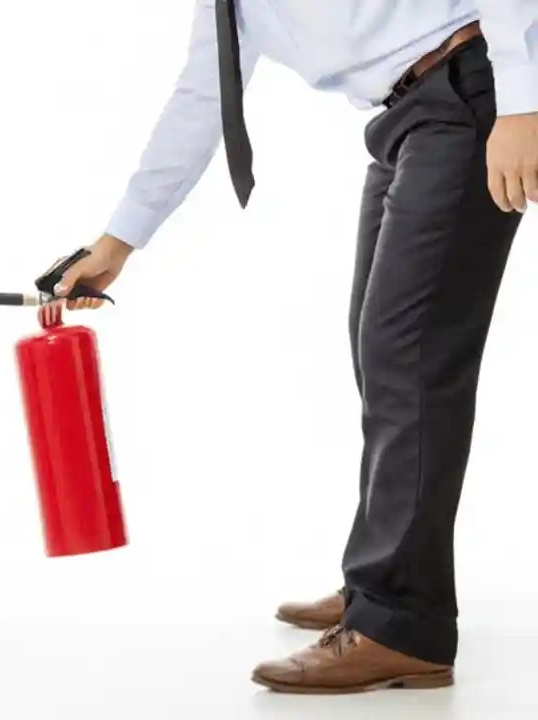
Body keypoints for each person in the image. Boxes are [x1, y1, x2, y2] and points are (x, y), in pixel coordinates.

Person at [50, 0, 538, 695]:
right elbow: (203, 93)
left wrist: (524, 100)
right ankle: (386, 589)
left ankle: (400, 621)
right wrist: (120, 239)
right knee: (382, 356)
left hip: (471, 85)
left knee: (409, 358)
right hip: (409, 115)